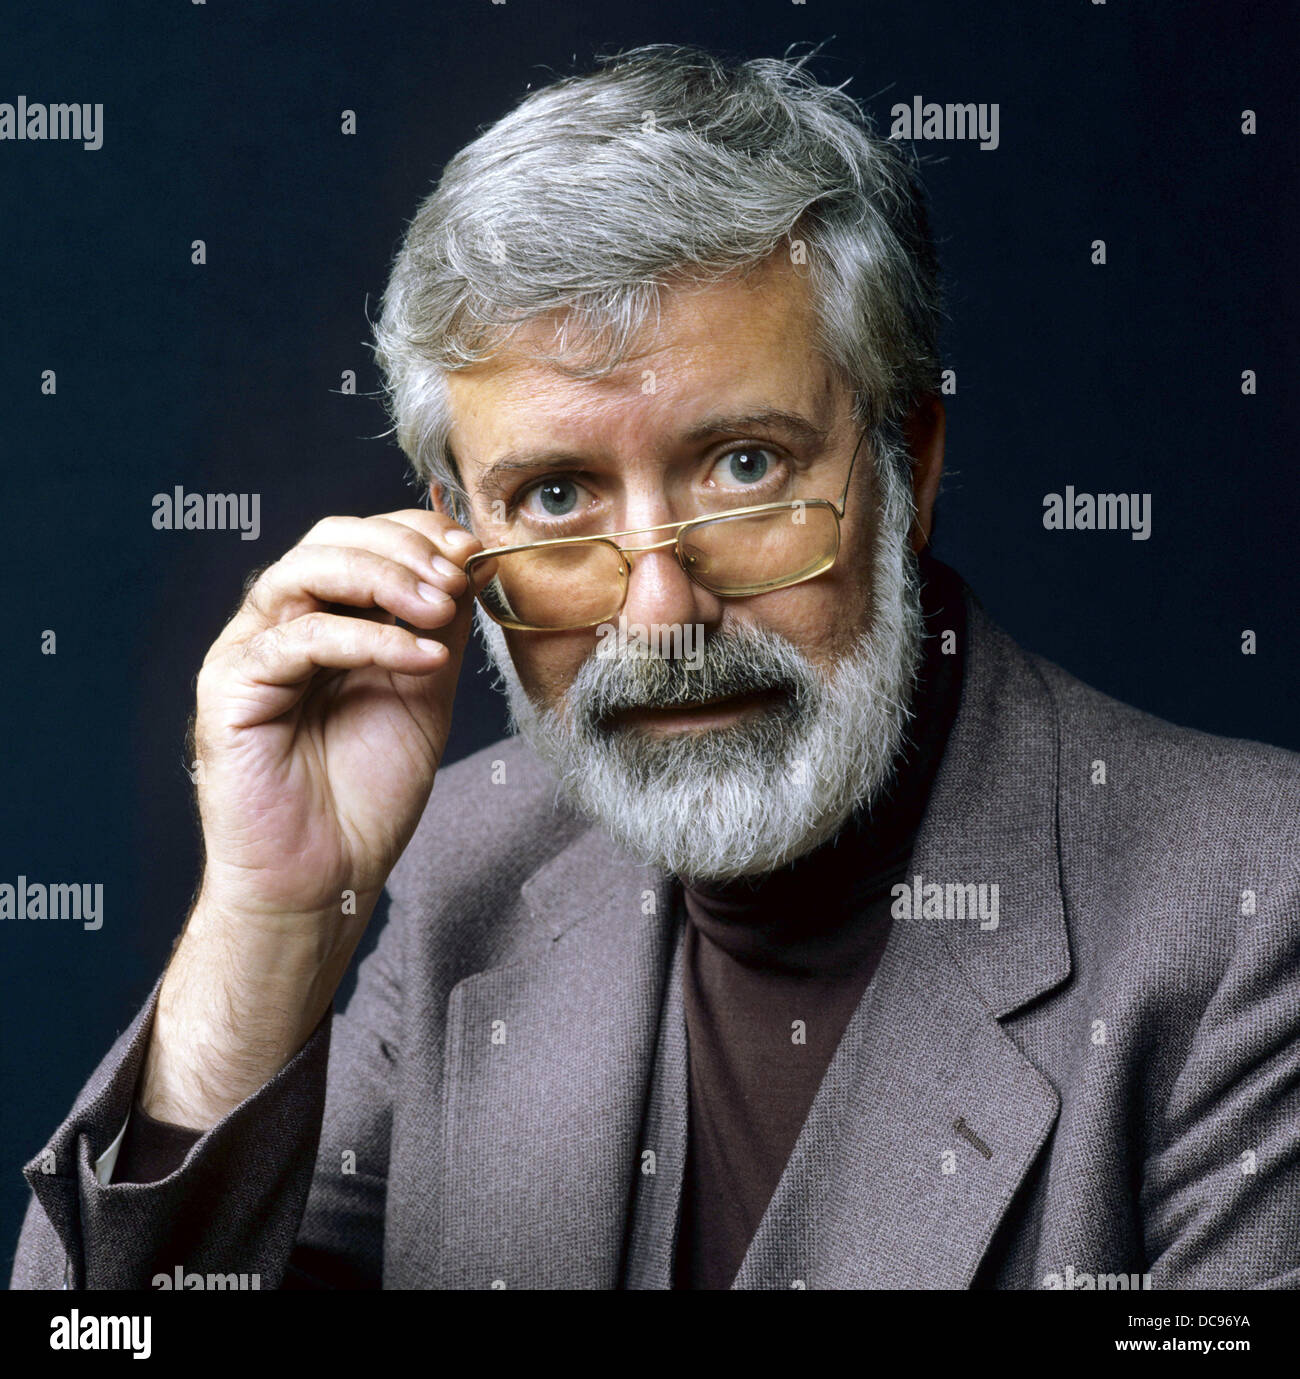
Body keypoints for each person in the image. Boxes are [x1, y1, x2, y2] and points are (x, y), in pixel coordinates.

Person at [13, 44, 1300, 1291]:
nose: (661, 612)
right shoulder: (471, 863)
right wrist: (273, 920)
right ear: (456, 535)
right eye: (560, 492)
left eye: (745, 464)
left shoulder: (1251, 906)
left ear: (908, 469)